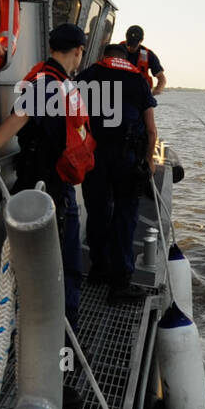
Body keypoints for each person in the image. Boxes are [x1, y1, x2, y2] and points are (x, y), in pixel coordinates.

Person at [0, 23, 93, 332]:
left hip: (53, 181)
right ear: (77, 51)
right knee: (61, 268)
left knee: (63, 266)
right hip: (47, 186)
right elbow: (18, 119)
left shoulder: (56, 79)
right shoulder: (49, 83)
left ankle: (61, 335)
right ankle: (63, 342)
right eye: (81, 52)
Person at [77, 43, 158, 299]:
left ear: (105, 58)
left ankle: (98, 270)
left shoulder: (87, 75)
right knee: (125, 218)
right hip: (127, 159)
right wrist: (149, 161)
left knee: (98, 214)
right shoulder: (137, 78)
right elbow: (151, 129)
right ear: (125, 59)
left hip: (93, 157)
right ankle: (120, 283)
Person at [123, 25, 167, 96]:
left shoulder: (148, 55)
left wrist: (157, 90)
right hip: (119, 93)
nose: (130, 47)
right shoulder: (116, 50)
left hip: (140, 94)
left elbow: (162, 78)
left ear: (141, 41)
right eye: (129, 44)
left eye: (134, 45)